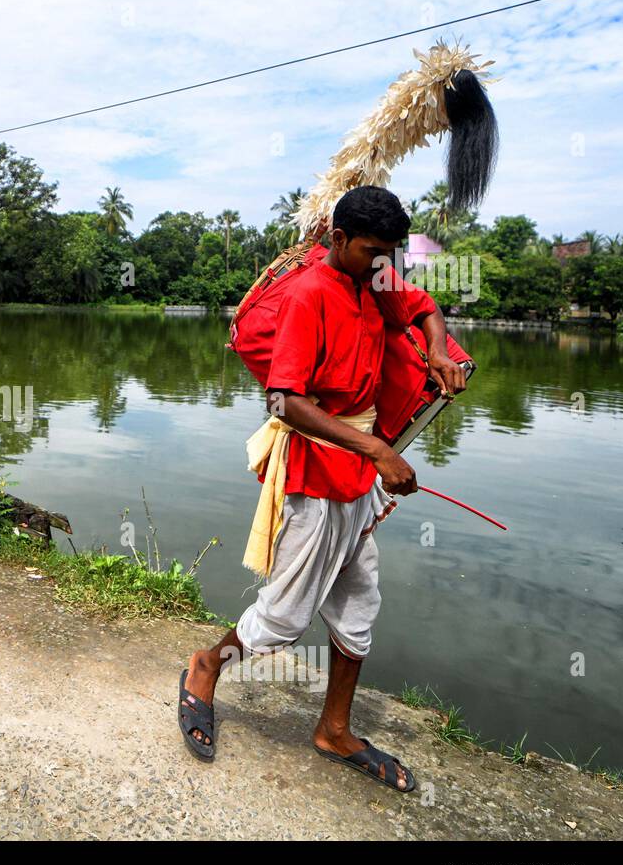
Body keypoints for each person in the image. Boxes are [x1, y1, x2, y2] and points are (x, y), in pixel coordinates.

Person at [178, 186, 467, 792]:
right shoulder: (311, 296)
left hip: (360, 474)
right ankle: (206, 666)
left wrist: (437, 351)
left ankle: (334, 729)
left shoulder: (375, 282)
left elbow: (422, 307)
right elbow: (283, 400)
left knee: (359, 608)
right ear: (337, 241)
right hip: (319, 473)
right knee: (283, 618)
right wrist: (379, 449)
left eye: (391, 252)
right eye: (371, 250)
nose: (383, 262)